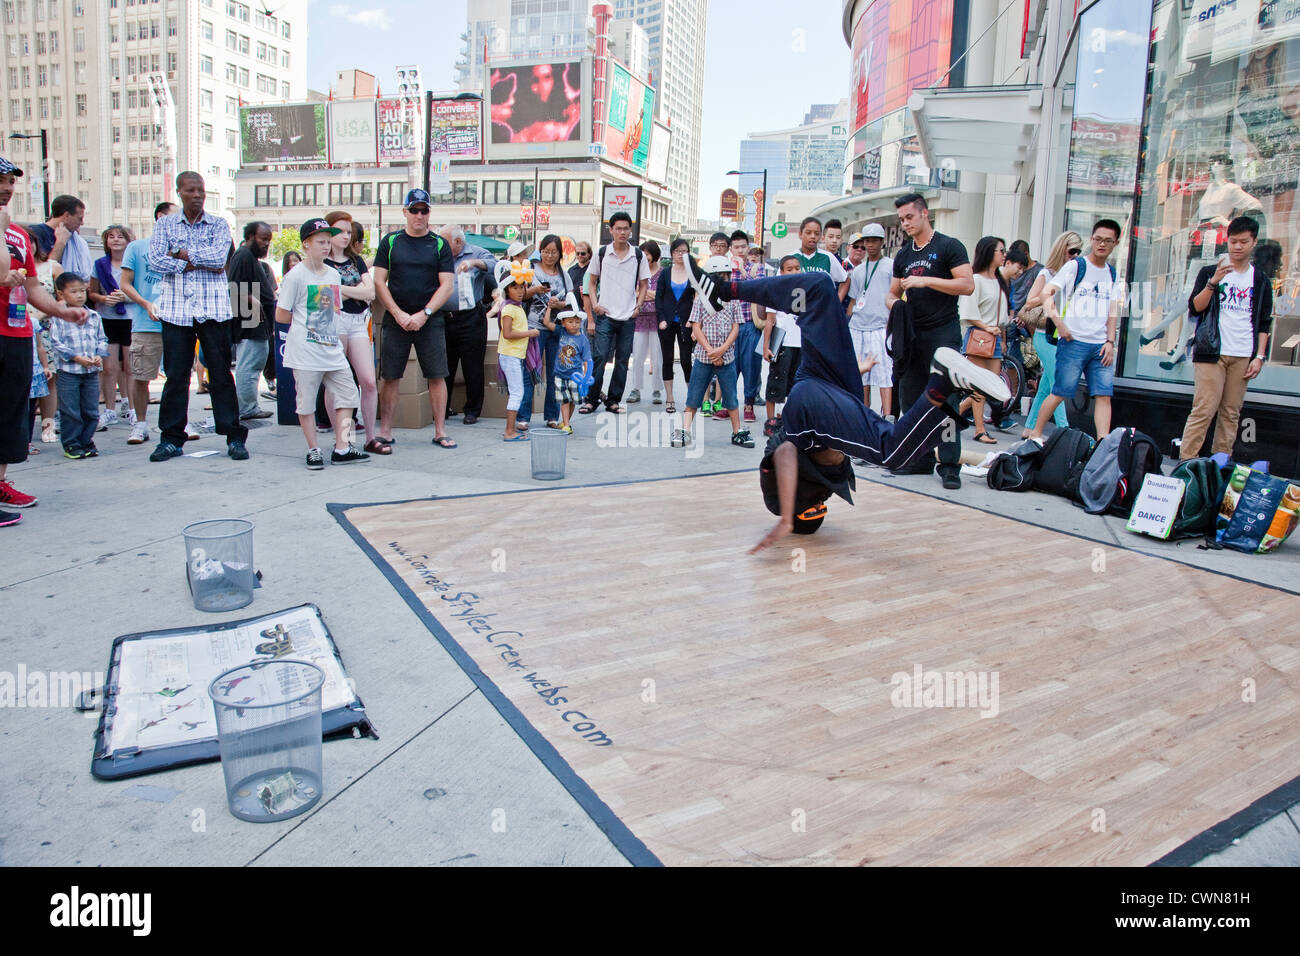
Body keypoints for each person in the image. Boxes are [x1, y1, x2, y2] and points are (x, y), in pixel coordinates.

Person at [684, 265, 1009, 552]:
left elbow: (783, 454)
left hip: (805, 413)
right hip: (828, 387)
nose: (823, 503)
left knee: (891, 452)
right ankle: (946, 385)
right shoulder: (825, 481)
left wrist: (784, 518)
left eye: (816, 509)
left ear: (803, 510)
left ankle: (722, 290)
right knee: (820, 288)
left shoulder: (780, 500)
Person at [1, 156, 91, 520]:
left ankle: (1, 482)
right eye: (0, 181)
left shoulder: (19, 234)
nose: (6, 188)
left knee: (10, 414)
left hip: (18, 331)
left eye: (9, 181)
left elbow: (32, 286)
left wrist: (62, 310)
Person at [146, 171, 249, 463]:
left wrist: (178, 254)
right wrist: (189, 263)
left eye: (201, 190)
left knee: (220, 374)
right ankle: (171, 439)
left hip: (213, 309)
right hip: (176, 311)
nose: (197, 195)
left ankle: (233, 436)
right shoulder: (165, 224)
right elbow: (155, 259)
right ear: (179, 192)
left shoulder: (218, 223)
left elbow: (219, 259)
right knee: (176, 376)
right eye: (191, 190)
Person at [886, 192, 974, 489]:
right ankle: (918, 458)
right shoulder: (904, 255)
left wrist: (926, 281)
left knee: (946, 400)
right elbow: (892, 293)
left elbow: (967, 285)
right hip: (912, 336)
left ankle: (949, 465)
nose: (906, 223)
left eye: (909, 217)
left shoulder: (949, 246)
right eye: (901, 219)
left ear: (925, 213)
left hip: (943, 333)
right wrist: (895, 306)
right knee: (911, 400)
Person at [276, 218, 369, 470]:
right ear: (306, 244)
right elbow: (281, 315)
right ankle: (313, 449)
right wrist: (306, 318)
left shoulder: (333, 274)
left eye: (328, 241)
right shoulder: (295, 276)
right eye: (320, 242)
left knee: (349, 395)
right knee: (305, 403)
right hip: (305, 350)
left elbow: (333, 308)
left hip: (331, 347)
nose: (326, 246)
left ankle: (343, 446)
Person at [1177, 216, 1273, 458]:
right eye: (1233, 242)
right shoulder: (1211, 272)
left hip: (1242, 354)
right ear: (1227, 242)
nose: (1237, 246)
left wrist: (1259, 356)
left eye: (1243, 242)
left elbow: (1264, 321)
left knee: (1231, 413)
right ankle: (1186, 464)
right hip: (1211, 352)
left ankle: (1219, 464)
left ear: (1254, 243)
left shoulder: (1260, 280)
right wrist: (1213, 283)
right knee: (1203, 409)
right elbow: (1195, 308)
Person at [373, 189, 457, 450]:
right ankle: (385, 430)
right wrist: (398, 313)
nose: (419, 215)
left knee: (437, 375)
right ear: (405, 212)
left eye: (424, 210)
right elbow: (378, 280)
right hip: (396, 318)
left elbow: (447, 285)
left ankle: (440, 431)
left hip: (429, 320)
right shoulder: (391, 241)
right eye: (414, 210)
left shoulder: (440, 244)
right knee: (390, 375)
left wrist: (425, 314)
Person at [1026, 219, 1124, 442]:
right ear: (1092, 239)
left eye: (1108, 241)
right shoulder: (1076, 266)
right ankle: (1036, 434)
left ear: (1116, 243)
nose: (1102, 244)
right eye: (1098, 239)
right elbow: (1046, 294)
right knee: (1060, 391)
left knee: (1103, 395)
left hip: (1100, 345)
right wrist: (1060, 324)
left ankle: (1103, 444)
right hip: (1073, 341)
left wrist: (1110, 341)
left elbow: (1113, 310)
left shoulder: (1112, 273)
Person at [674, 256, 755, 449]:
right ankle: (685, 430)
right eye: (718, 275)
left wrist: (722, 350)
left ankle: (737, 431)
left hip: (726, 358)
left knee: (731, 397)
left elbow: (736, 328)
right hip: (704, 357)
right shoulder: (701, 300)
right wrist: (711, 351)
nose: (722, 279)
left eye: (726, 275)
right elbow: (696, 327)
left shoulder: (733, 300)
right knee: (694, 396)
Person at [581, 211, 650, 415]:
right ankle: (591, 399)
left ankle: (613, 401)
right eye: (618, 228)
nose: (622, 232)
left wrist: (638, 306)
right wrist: (595, 304)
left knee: (622, 360)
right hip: (605, 314)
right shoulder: (602, 253)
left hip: (628, 316)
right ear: (610, 230)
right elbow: (591, 282)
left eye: (625, 228)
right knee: (600, 357)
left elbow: (644, 284)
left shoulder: (637, 255)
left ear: (631, 230)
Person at [120, 202, 176, 446]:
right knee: (141, 375)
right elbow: (125, 283)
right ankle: (140, 425)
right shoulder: (136, 247)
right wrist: (144, 303)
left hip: (177, 323)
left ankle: (177, 424)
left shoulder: (182, 250)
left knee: (178, 377)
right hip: (146, 323)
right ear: (161, 217)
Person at [324, 211, 381, 452]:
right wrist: (354, 288)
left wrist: (343, 289)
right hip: (333, 320)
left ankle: (370, 437)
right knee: (337, 382)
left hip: (359, 320)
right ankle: (343, 439)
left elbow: (370, 293)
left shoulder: (356, 260)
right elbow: (325, 295)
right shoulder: (322, 262)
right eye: (340, 231)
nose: (346, 236)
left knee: (367, 381)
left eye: (349, 232)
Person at [1018, 230, 1082, 437]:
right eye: (1072, 251)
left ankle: (1029, 428)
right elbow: (1030, 301)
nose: (1074, 255)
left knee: (1046, 385)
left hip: (1061, 335)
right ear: (1062, 249)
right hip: (1044, 333)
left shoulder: (1072, 274)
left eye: (1078, 252)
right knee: (1059, 382)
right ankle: (1064, 430)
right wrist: (1050, 293)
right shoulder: (1048, 273)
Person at [957, 236, 1012, 445]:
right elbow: (967, 311)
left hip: (995, 337)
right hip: (979, 337)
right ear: (989, 252)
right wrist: (987, 327)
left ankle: (954, 413)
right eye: (1001, 250)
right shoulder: (976, 279)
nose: (1004, 254)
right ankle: (979, 430)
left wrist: (1000, 335)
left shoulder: (1000, 281)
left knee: (988, 387)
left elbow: (1003, 315)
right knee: (979, 386)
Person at [439, 225, 494, 427]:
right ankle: (442, 408)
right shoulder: (441, 255)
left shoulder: (477, 252)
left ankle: (472, 410)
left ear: (458, 242)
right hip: (445, 317)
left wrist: (474, 263)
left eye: (445, 243)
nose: (442, 246)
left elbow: (496, 266)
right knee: (445, 365)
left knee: (472, 365)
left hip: (471, 316)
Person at [48, 272, 108, 459]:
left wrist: (99, 355)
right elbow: (56, 343)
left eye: (83, 291)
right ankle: (71, 444)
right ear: (61, 294)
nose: (80, 295)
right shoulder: (58, 317)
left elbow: (102, 339)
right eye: (74, 291)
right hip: (69, 371)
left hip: (91, 371)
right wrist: (75, 357)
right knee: (70, 409)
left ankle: (86, 440)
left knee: (91, 409)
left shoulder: (94, 316)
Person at [227, 220, 277, 423]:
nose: (266, 243)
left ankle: (249, 406)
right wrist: (253, 301)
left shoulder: (251, 257)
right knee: (250, 363)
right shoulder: (243, 255)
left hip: (257, 318)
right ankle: (247, 408)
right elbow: (234, 285)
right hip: (250, 318)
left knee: (256, 360)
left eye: (268, 240)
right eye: (262, 239)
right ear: (249, 237)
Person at [523, 233, 574, 428]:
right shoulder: (531, 270)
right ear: (540, 251)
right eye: (546, 251)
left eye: (554, 252)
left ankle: (552, 417)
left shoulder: (565, 275)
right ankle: (523, 417)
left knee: (555, 374)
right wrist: (536, 291)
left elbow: (571, 304)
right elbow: (519, 294)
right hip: (534, 328)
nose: (550, 256)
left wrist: (559, 303)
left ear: (560, 254)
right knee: (530, 372)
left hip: (556, 329)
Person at [88, 224, 135, 430]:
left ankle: (133, 409)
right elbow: (92, 293)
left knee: (131, 366)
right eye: (111, 237)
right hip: (107, 318)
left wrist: (125, 297)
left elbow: (142, 290)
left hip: (132, 318)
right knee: (108, 367)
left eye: (120, 237)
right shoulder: (99, 264)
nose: (115, 240)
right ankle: (109, 409)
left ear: (128, 240)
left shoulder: (134, 263)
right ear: (106, 242)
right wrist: (104, 298)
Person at [847, 223, 894, 416]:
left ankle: (888, 416)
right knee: (861, 376)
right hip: (857, 327)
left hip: (881, 326)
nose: (870, 244)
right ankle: (863, 415)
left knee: (884, 375)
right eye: (867, 241)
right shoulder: (857, 271)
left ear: (882, 242)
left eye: (874, 240)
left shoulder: (891, 266)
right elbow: (853, 301)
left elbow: (897, 296)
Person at [24, 223, 62, 445]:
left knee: (48, 379)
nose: (27, 244)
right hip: (20, 329)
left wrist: (45, 313)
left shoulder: (52, 267)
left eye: (31, 240)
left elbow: (67, 294)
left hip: (44, 328)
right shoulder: (9, 267)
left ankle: (48, 424)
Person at [496, 260, 539, 441]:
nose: (520, 290)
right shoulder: (509, 308)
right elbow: (507, 333)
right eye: (515, 287)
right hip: (510, 356)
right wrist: (530, 333)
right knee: (517, 393)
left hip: (515, 356)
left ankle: (511, 429)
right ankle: (509, 431)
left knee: (517, 392)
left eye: (522, 286)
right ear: (507, 289)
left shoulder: (516, 307)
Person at [762, 255, 805, 435]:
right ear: (781, 272)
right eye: (789, 269)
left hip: (800, 344)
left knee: (796, 383)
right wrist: (766, 346)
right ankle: (771, 420)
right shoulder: (776, 291)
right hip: (782, 343)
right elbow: (770, 321)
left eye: (797, 268)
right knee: (776, 381)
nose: (794, 271)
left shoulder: (803, 291)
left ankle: (789, 419)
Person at [654, 238, 696, 414]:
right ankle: (670, 397)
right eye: (677, 251)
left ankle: (691, 398)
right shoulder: (665, 273)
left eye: (684, 251)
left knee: (687, 361)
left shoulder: (693, 273)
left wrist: (692, 320)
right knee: (668, 359)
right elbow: (659, 297)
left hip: (686, 322)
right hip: (667, 322)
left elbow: (697, 298)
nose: (680, 254)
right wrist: (661, 319)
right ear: (671, 253)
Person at [729, 231, 767, 424]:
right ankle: (730, 405)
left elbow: (758, 290)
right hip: (729, 326)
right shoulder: (725, 268)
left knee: (752, 365)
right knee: (730, 367)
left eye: (744, 246)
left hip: (751, 324)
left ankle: (749, 404)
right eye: (736, 247)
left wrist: (743, 272)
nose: (741, 250)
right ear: (731, 249)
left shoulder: (758, 268)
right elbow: (724, 291)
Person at [627, 239, 663, 406]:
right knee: (638, 355)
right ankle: (636, 388)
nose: (644, 257)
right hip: (640, 319)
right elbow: (633, 293)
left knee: (657, 356)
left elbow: (662, 295)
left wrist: (645, 293)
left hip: (657, 319)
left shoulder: (663, 273)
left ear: (654, 255)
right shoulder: (636, 272)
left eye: (647, 254)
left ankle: (656, 389)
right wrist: (649, 294)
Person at [552, 307, 592, 434]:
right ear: (563, 322)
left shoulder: (583, 339)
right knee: (564, 400)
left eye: (577, 322)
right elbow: (547, 323)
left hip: (575, 376)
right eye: (570, 322)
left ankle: (565, 422)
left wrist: (586, 376)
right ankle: (567, 425)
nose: (574, 325)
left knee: (573, 401)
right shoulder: (561, 332)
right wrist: (548, 307)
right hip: (559, 374)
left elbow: (586, 359)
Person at [44, 194, 93, 281]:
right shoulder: (36, 234)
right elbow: (44, 272)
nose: (82, 223)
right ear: (66, 216)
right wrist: (60, 243)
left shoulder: (76, 238)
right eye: (79, 219)